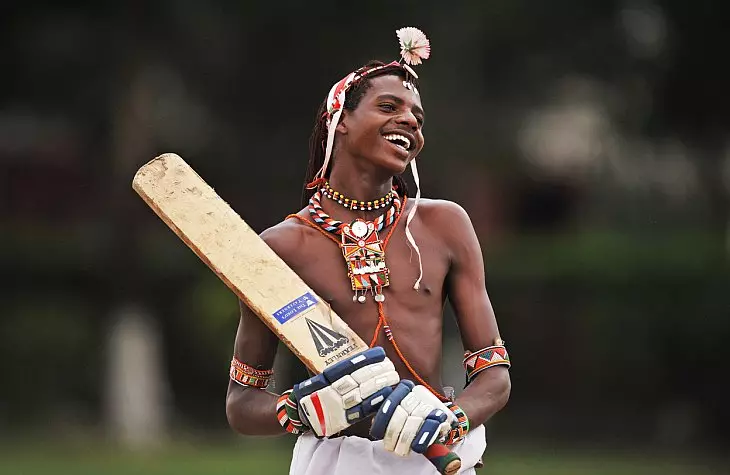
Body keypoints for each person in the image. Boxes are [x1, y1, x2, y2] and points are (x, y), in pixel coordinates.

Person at [225, 28, 511, 474]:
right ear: (338, 122)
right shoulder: (282, 246)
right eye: (388, 107)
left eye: (417, 115)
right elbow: (241, 403)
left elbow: (494, 375)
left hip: (437, 459)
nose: (411, 121)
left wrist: (450, 421)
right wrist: (299, 411)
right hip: (335, 462)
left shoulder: (445, 225)